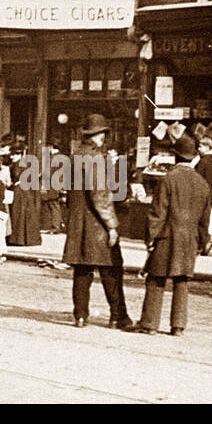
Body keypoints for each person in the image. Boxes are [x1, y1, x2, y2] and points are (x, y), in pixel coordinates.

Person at [131, 135, 212, 336]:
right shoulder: (202, 184)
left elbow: (158, 212)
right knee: (181, 281)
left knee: (156, 279)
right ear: (193, 157)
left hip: (167, 236)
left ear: (175, 157)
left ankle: (149, 323)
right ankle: (178, 325)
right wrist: (203, 242)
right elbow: (205, 219)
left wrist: (150, 238)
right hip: (189, 239)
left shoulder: (168, 179)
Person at [63, 113, 133, 330]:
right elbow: (100, 194)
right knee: (111, 270)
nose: (104, 137)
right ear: (98, 135)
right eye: (103, 133)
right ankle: (117, 316)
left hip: (79, 222)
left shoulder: (75, 156)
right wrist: (112, 225)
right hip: (97, 224)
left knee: (82, 272)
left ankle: (81, 316)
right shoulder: (95, 158)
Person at [8, 144, 42, 246]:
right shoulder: (26, 164)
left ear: (18, 155)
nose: (11, 157)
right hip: (27, 192)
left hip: (19, 192)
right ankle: (27, 239)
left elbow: (17, 178)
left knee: (18, 215)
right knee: (26, 215)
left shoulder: (18, 165)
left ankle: (18, 239)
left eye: (14, 155)